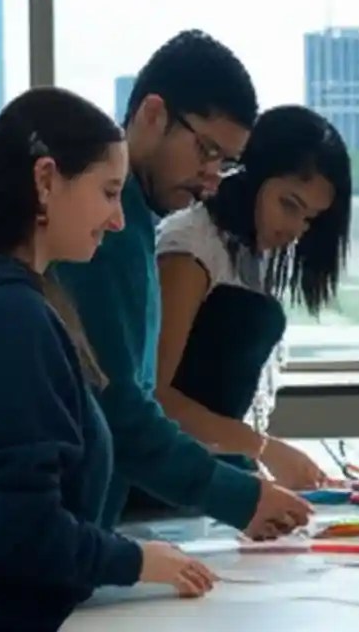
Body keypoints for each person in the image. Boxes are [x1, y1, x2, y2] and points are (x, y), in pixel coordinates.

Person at [52, 30, 312, 537]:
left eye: (226, 162)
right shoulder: (108, 230)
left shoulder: (134, 219)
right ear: (152, 115)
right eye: (206, 150)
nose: (213, 177)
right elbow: (122, 416)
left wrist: (241, 475)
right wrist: (240, 493)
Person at [0, 88, 220, 629]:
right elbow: (22, 529)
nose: (117, 220)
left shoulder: (34, 300)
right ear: (46, 181)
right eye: (108, 192)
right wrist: (134, 560)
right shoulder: (13, 317)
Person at [141, 105, 351, 501]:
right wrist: (262, 448)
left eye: (309, 220)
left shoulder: (250, 252)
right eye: (289, 204)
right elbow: (155, 396)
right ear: (252, 177)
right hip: (165, 483)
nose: (294, 229)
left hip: (209, 478)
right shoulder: (191, 246)